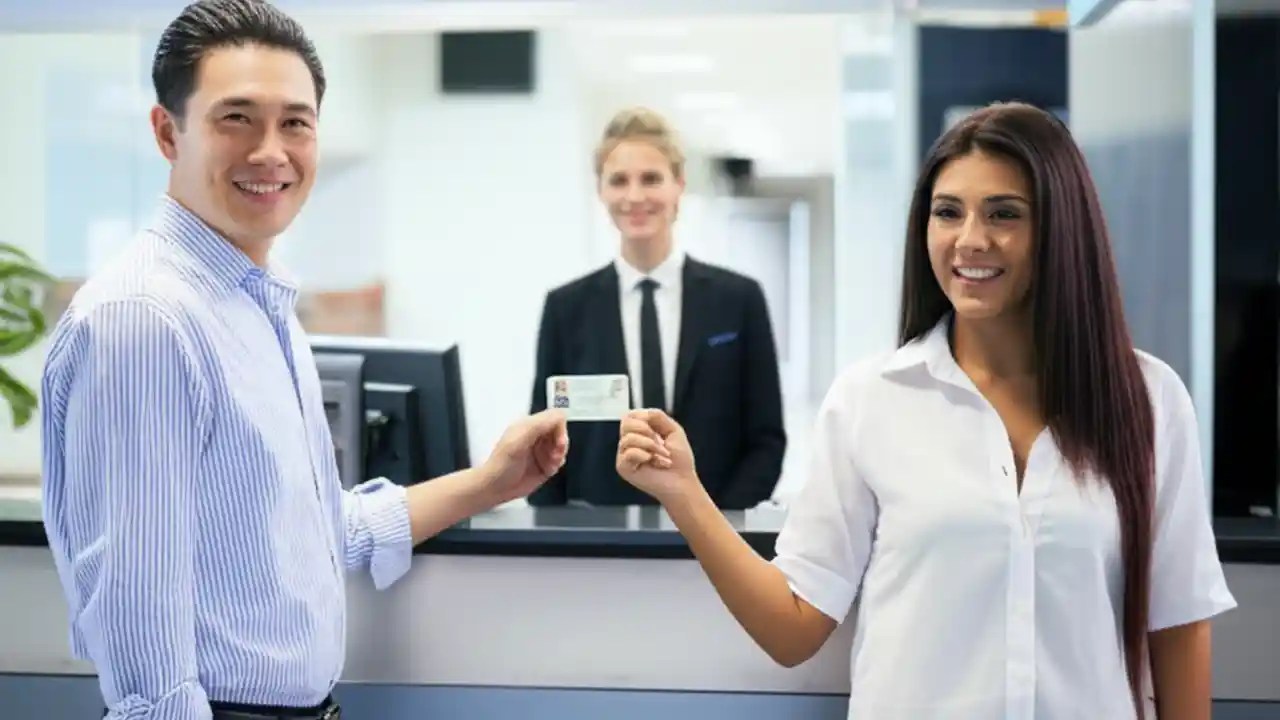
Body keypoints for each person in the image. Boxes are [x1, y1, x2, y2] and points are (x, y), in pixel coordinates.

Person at [616, 102, 1236, 719]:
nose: (971, 239)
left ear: (1060, 228)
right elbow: (793, 628)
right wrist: (685, 495)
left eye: (1004, 214)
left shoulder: (1149, 398)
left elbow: (1178, 625)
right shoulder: (871, 401)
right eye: (948, 213)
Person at [39, 2, 568, 719]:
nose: (271, 151)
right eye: (237, 119)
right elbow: (142, 633)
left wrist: (490, 483)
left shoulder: (258, 304)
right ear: (168, 132)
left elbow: (319, 530)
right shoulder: (147, 321)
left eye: (295, 122)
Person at [529, 107, 785, 509]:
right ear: (601, 191)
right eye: (619, 181)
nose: (635, 196)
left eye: (651, 179)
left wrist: (715, 526)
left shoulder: (739, 300)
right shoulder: (567, 308)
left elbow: (766, 440)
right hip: (599, 539)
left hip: (714, 537)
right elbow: (544, 443)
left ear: (678, 185)